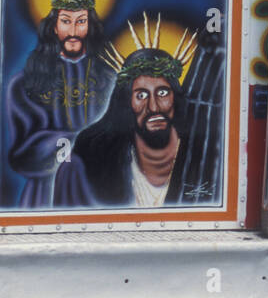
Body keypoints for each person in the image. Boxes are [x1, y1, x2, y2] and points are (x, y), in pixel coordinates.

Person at [4, 0, 115, 208]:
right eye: (66, 21)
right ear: (54, 26)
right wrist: (76, 142)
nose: (73, 31)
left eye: (81, 21)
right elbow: (21, 156)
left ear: (90, 25)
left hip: (97, 193)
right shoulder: (25, 82)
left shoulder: (109, 78)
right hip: (44, 194)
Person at [54, 46, 187, 208]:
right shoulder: (85, 165)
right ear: (127, 102)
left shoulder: (201, 154)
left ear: (175, 97)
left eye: (163, 93)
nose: (154, 107)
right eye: (141, 95)